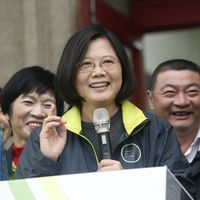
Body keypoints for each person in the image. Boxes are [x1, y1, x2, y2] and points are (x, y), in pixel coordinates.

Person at [15, 25, 195, 199]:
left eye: (108, 62)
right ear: (70, 73)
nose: (98, 72)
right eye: (86, 64)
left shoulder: (155, 130)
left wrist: (132, 186)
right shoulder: (46, 136)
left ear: (123, 68)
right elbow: (20, 198)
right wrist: (47, 162)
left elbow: (184, 195)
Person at [147, 58, 200, 199]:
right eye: (170, 93)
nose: (182, 101)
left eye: (192, 92)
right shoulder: (138, 151)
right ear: (150, 100)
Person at [0, 66, 64, 179]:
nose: (39, 113)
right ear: (7, 111)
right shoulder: (2, 163)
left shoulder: (69, 158)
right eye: (28, 102)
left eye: (48, 105)